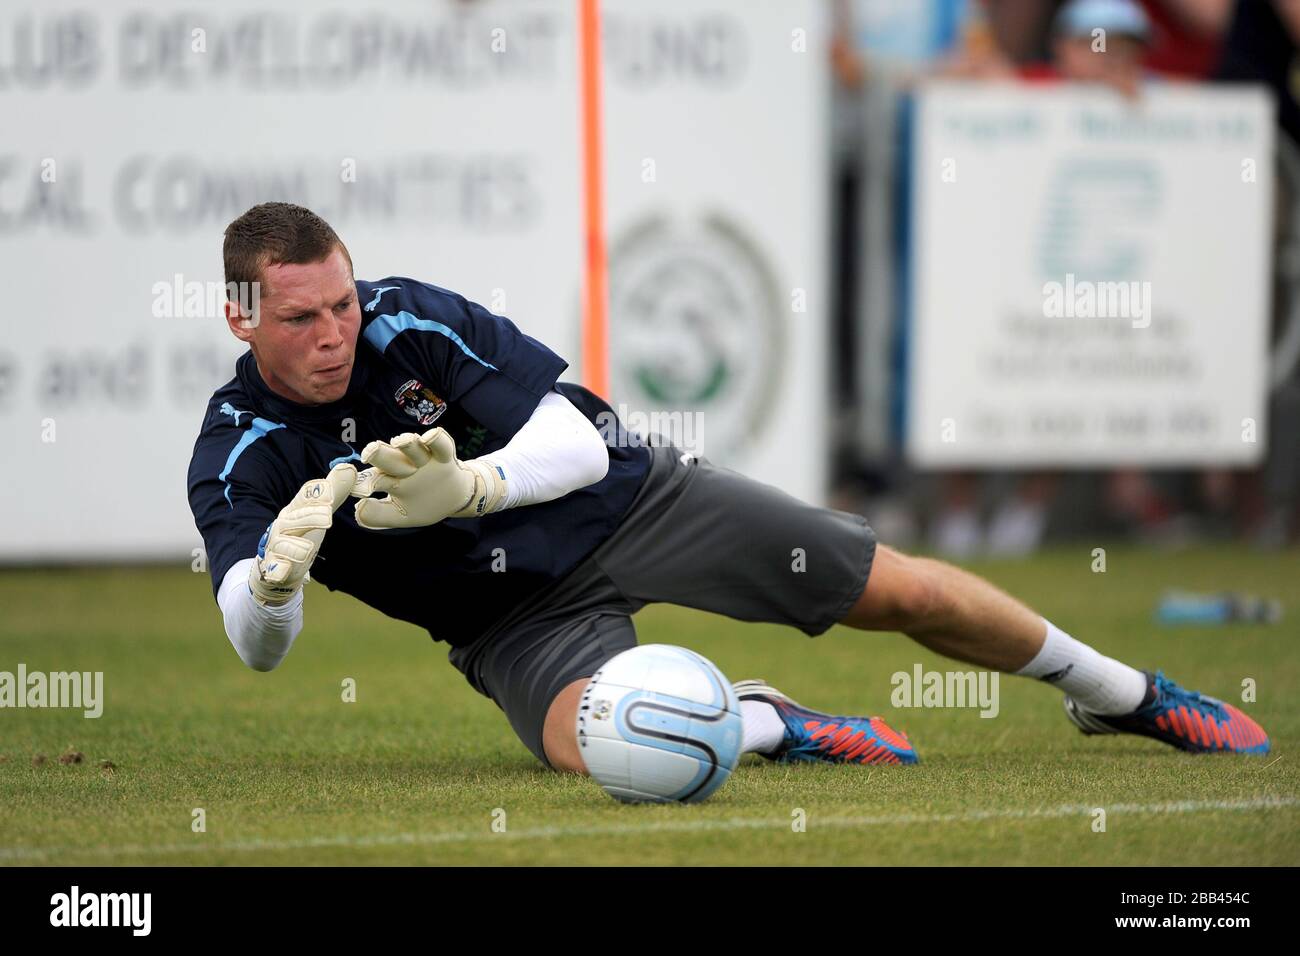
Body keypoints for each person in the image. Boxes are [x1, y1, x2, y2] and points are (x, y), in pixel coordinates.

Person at [187, 202, 1270, 773]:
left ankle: (1121, 692)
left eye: (339, 301)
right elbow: (253, 644)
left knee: (908, 595)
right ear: (241, 318)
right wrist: (277, 583)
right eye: (300, 318)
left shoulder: (405, 314)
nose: (336, 332)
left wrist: (468, 488)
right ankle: (763, 720)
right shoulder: (239, 449)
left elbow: (569, 440)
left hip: (627, 502)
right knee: (594, 752)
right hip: (507, 619)